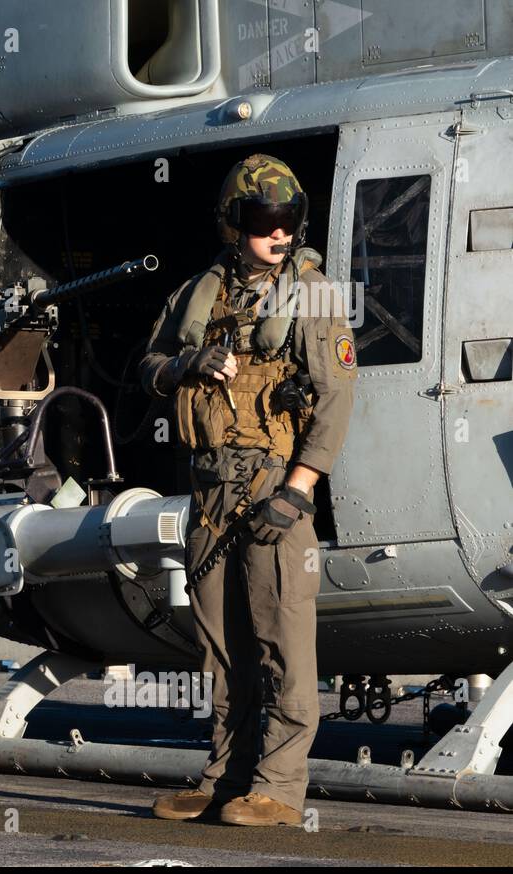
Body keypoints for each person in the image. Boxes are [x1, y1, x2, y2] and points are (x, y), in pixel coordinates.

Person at [139, 154, 358, 826]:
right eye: (265, 220)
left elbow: (337, 398)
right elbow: (148, 367)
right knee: (220, 649)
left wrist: (297, 490)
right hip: (211, 495)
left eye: (289, 220)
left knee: (283, 646)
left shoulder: (315, 293)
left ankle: (280, 789)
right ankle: (226, 776)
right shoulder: (197, 294)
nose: (279, 233)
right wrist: (187, 361)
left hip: (273, 491)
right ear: (234, 224)